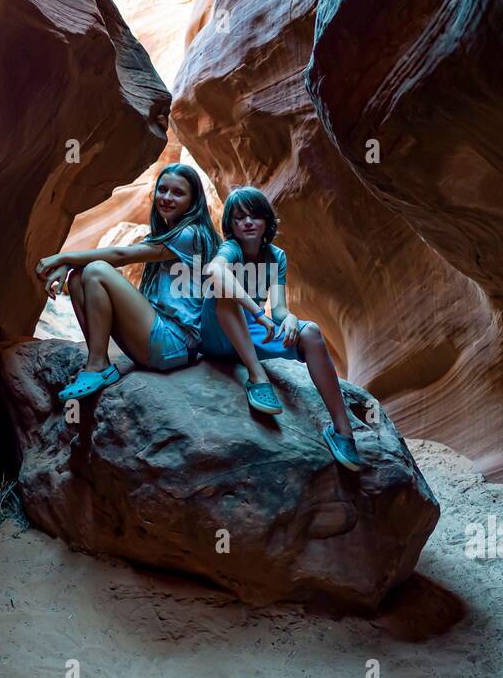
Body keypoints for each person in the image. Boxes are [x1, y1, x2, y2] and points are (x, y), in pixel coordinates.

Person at [200, 186, 363, 471]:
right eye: (238, 218)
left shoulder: (276, 257)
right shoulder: (231, 249)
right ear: (230, 225)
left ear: (266, 221)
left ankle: (342, 431)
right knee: (221, 288)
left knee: (310, 331)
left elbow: (278, 309)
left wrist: (287, 318)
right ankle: (257, 377)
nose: (247, 222)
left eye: (254, 215)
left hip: (250, 332)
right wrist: (255, 311)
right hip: (219, 331)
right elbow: (214, 271)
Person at [34, 163, 220, 400]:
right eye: (162, 189)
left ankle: (98, 366)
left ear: (194, 201)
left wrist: (63, 257)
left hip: (173, 345)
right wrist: (70, 266)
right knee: (79, 277)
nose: (167, 197)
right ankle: (98, 361)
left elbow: (121, 256)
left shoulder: (191, 234)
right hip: (158, 337)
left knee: (97, 271)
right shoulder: (164, 235)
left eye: (178, 192)